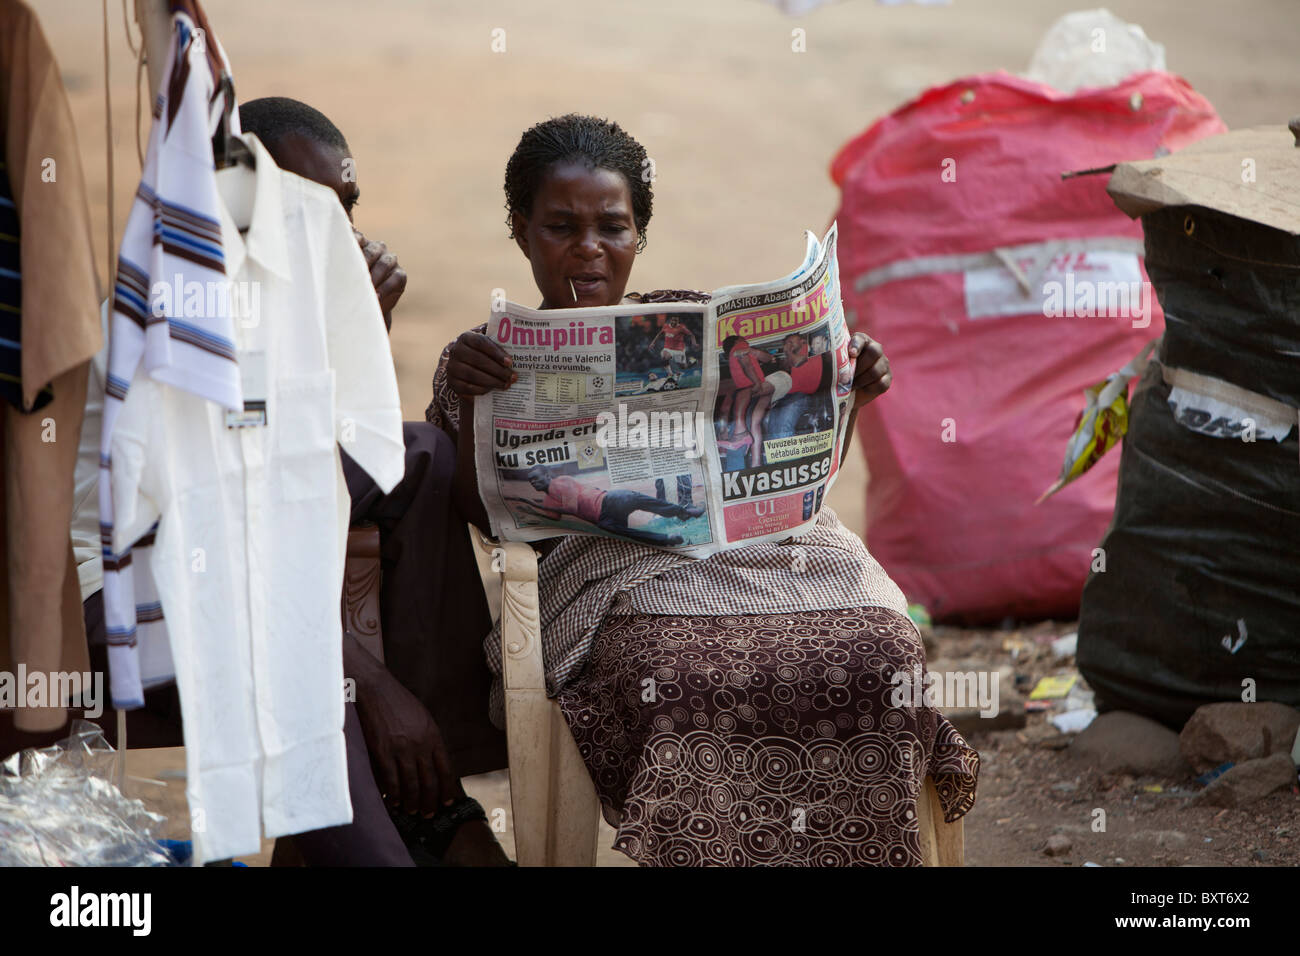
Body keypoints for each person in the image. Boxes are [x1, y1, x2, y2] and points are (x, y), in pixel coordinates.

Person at [429, 113, 978, 866]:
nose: (588, 249)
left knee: (882, 651)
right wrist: (467, 405)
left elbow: (798, 480)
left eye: (612, 227)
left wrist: (851, 395)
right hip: (612, 586)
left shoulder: (693, 328)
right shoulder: (488, 361)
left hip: (765, 562)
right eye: (561, 226)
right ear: (522, 232)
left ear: (638, 236)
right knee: (682, 675)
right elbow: (480, 520)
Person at [226, 98, 511, 866]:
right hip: (184, 575)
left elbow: (335, 451)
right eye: (311, 213)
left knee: (423, 457)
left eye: (347, 209)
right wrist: (379, 691)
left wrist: (355, 330)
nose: (346, 239)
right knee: (338, 689)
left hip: (272, 521)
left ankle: (428, 794)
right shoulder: (201, 304)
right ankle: (406, 809)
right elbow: (251, 540)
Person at [506, 464, 703, 547]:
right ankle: (668, 537)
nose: (533, 483)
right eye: (531, 481)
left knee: (649, 503)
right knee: (617, 528)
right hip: (605, 516)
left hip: (609, 501)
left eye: (536, 478)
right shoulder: (548, 500)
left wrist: (534, 504)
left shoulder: (560, 482)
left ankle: (685, 512)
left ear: (548, 475)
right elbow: (554, 518)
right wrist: (531, 510)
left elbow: (573, 509)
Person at [647, 314, 697, 378]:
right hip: (667, 348)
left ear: (678, 321)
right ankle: (670, 374)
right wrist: (653, 343)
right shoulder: (665, 326)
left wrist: (694, 343)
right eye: (673, 320)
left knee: (683, 367)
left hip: (679, 349)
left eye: (676, 320)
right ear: (670, 320)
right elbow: (659, 334)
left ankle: (693, 361)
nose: (674, 322)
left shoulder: (682, 327)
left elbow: (691, 335)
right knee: (664, 356)